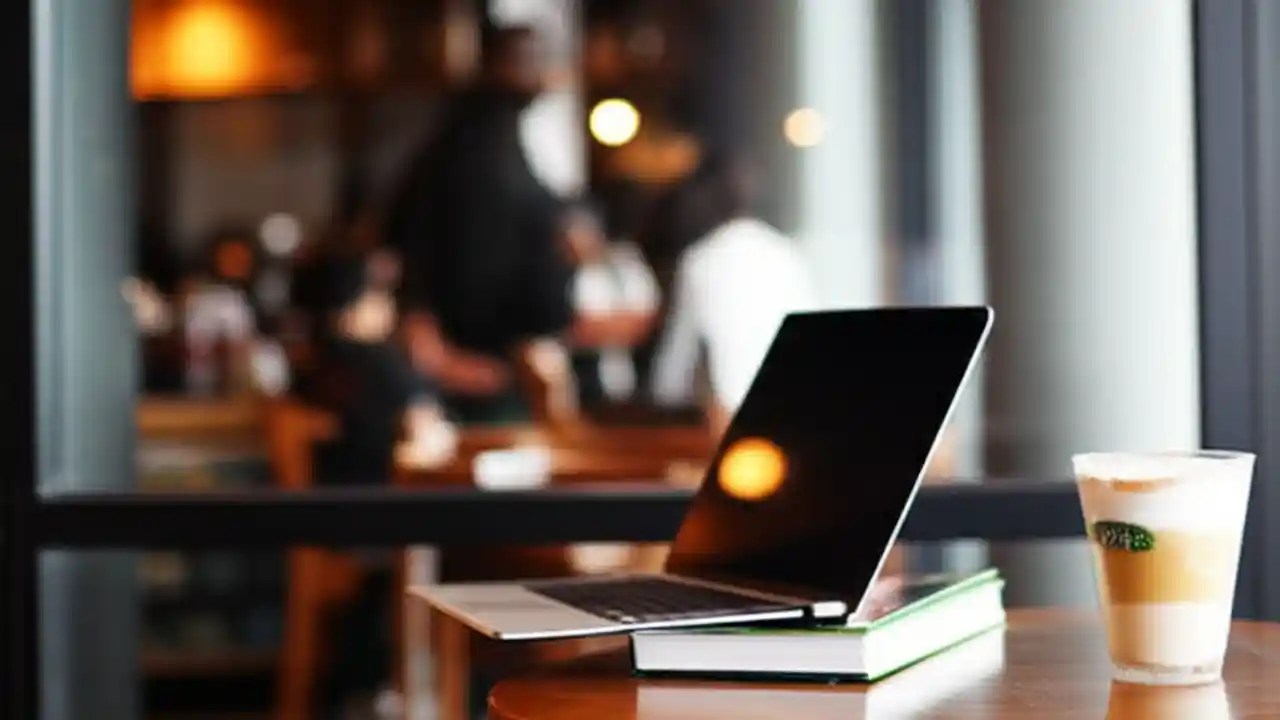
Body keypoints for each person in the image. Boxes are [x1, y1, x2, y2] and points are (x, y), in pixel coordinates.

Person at [386, 25, 572, 423]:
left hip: (504, 363)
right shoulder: (460, 144)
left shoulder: (500, 138)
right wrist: (433, 349)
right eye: (526, 60)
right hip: (472, 370)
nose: (540, 71)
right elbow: (407, 245)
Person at [649, 153, 819, 433]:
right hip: (793, 408)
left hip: (730, 419)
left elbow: (677, 360)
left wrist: (660, 401)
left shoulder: (701, 259)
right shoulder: (785, 253)